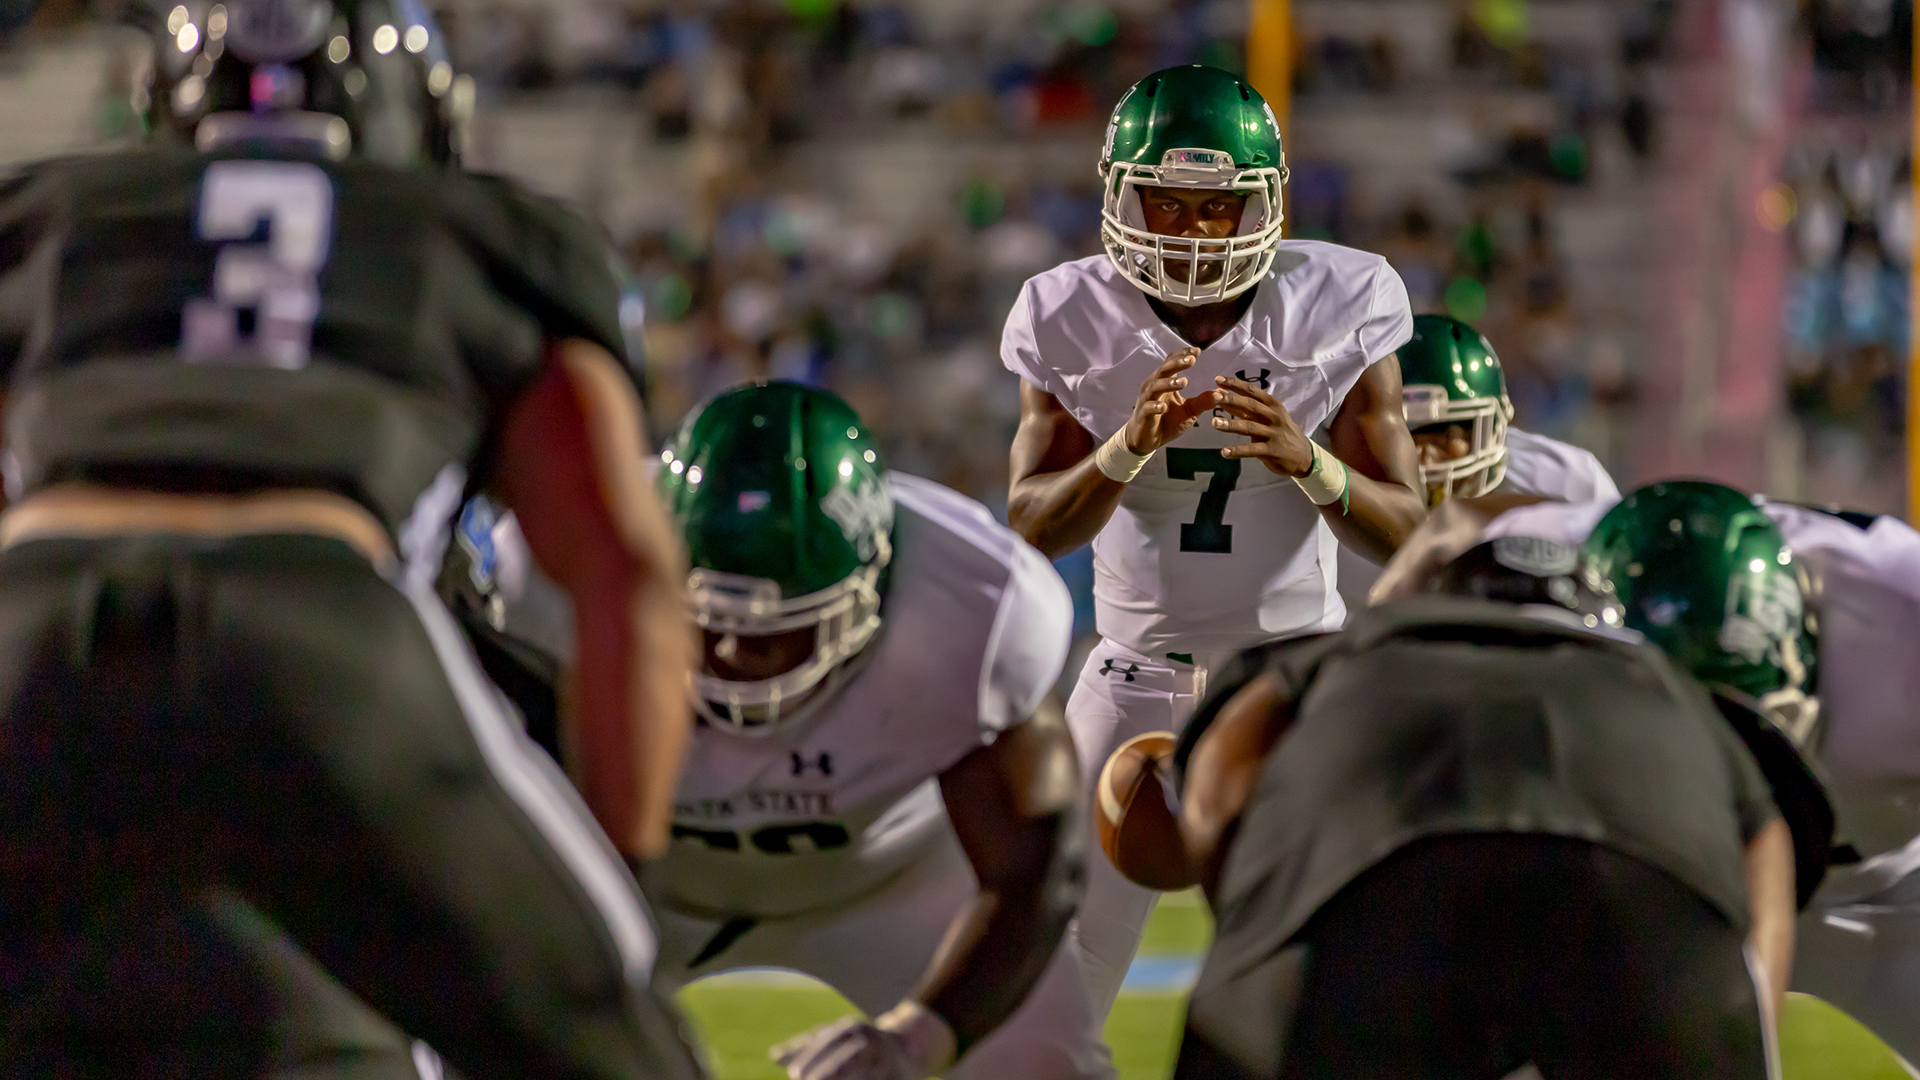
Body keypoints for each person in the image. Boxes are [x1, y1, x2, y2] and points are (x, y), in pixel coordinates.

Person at [0, 1, 701, 1077]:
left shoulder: (46, 209)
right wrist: (612, 903)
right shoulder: (480, 230)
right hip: (315, 615)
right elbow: (624, 567)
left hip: (30, 613)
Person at [1002, 62, 1425, 1019]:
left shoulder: (1342, 300)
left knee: (1350, 977)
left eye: (1213, 206)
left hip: (1293, 680)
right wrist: (1121, 450)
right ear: (1119, 194)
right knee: (1053, 984)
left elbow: (1410, 531)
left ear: (1267, 205)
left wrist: (1309, 463)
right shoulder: (1071, 313)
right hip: (1132, 679)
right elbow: (1031, 525)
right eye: (1164, 199)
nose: (1189, 230)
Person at [1140, 538, 1801, 1079]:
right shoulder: (1666, 684)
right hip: (1649, 880)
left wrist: (1261, 921)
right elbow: (1766, 843)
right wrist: (1729, 1022)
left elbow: (1219, 795)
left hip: (1364, 878)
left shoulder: (1352, 646)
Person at [641, 382, 1102, 1080]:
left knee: (1045, 1060)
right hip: (644, 888)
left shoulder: (973, 608)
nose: (733, 662)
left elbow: (1034, 867)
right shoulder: (555, 564)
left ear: (871, 594)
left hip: (891, 878)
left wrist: (922, 1037)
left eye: (775, 636)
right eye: (705, 626)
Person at [1382, 479, 1920, 1063]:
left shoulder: (1901, 630)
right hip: (1651, 848)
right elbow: (1455, 527)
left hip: (1883, 890)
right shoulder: (1606, 562)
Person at [1334, 313, 1618, 611]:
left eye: (1443, 432)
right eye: (1400, 436)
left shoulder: (1568, 480)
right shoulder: (1330, 507)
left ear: (1493, 425)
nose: (1423, 455)